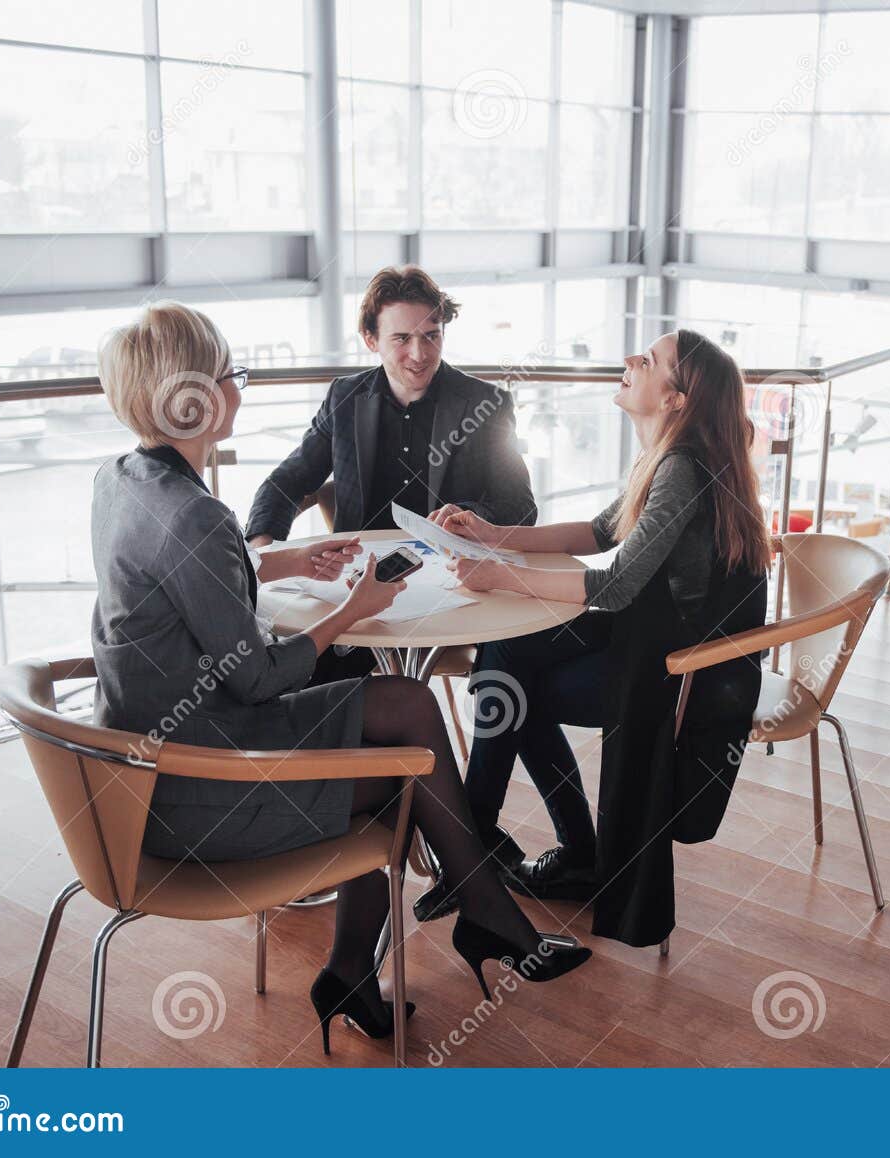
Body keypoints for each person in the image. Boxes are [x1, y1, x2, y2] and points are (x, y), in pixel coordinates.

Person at [89, 302, 588, 1051]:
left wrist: (277, 562)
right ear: (194, 394)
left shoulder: (123, 480)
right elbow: (258, 678)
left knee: (404, 710)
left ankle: (398, 946)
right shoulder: (198, 516)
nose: (239, 387)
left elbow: (183, 583)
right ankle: (462, 917)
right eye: (233, 373)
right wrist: (351, 607)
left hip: (143, 775)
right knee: (405, 747)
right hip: (203, 790)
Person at [424, 329, 771, 948]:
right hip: (644, 639)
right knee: (504, 664)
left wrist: (500, 574)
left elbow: (613, 583)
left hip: (674, 672)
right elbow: (595, 531)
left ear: (676, 399)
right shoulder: (667, 457)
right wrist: (493, 534)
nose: (631, 360)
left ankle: (485, 853)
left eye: (652, 360)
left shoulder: (683, 471)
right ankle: (493, 850)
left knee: (509, 681)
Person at [245, 265, 537, 688]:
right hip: (356, 588)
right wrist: (263, 552)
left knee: (507, 674)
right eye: (401, 339)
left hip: (455, 590)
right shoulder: (344, 398)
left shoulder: (486, 403)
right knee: (311, 686)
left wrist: (468, 515)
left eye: (430, 336)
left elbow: (521, 507)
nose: (419, 354)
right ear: (371, 340)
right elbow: (285, 482)